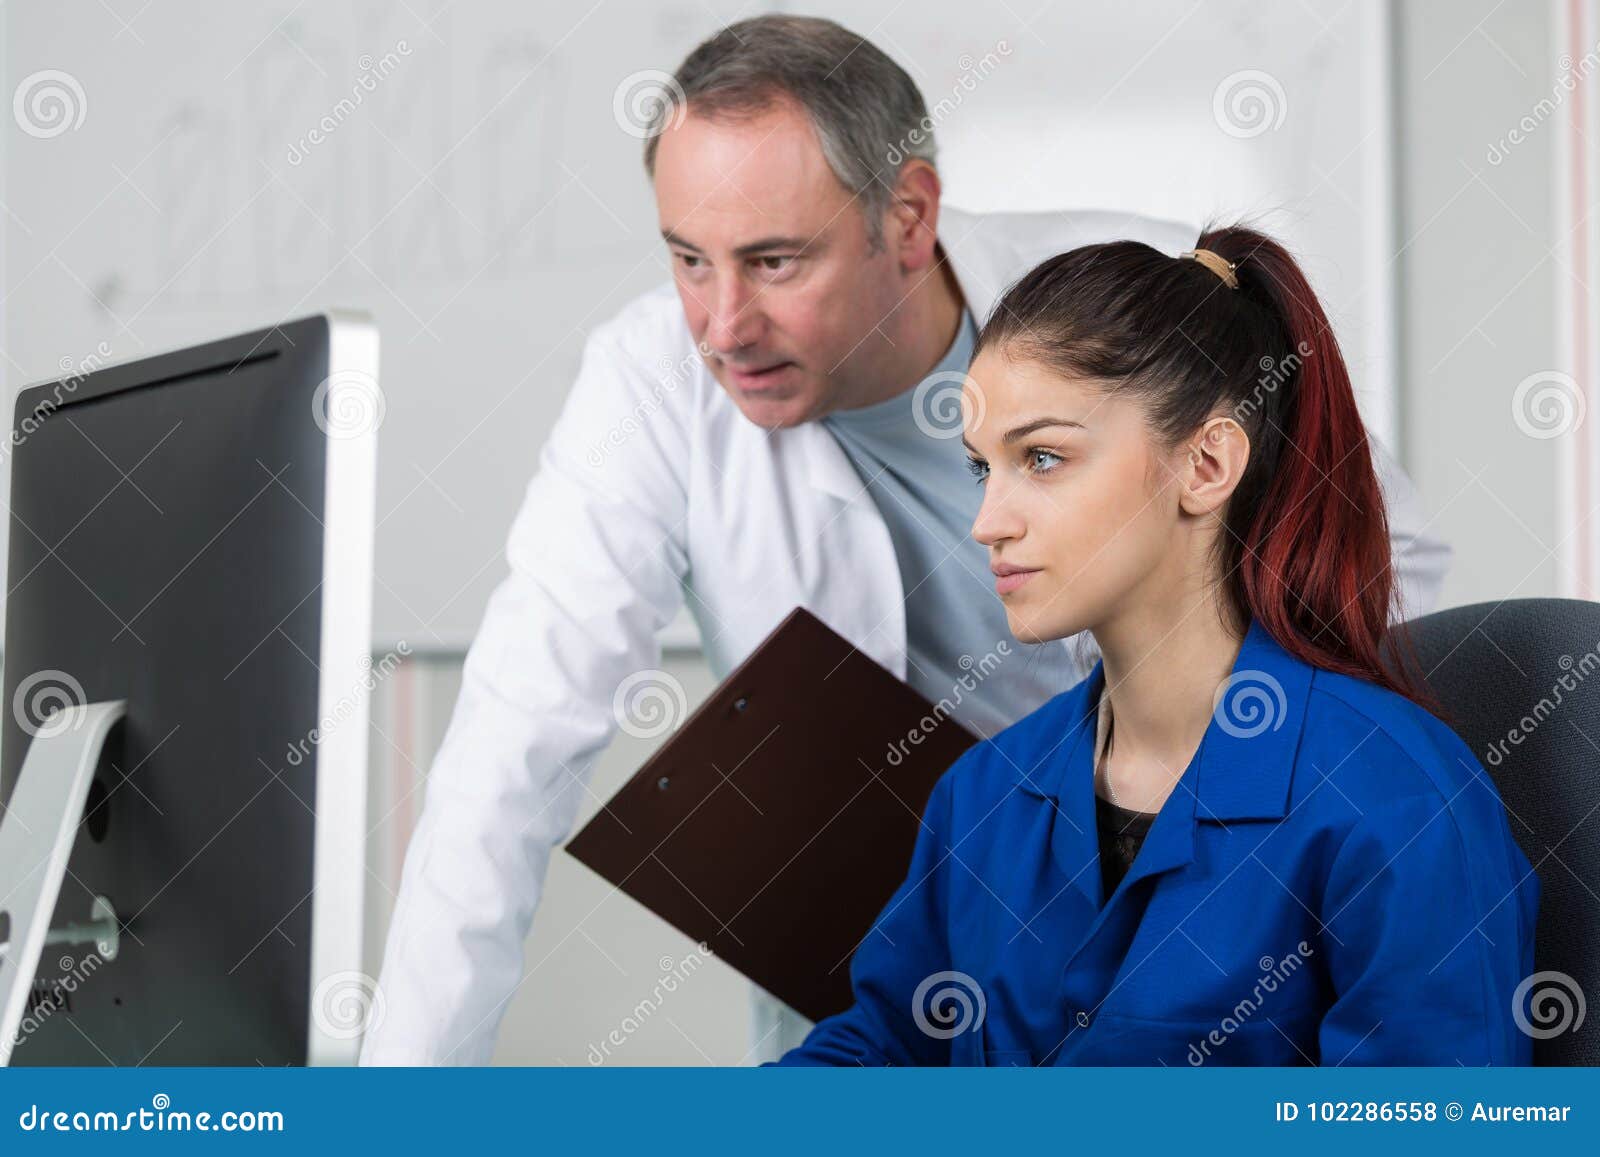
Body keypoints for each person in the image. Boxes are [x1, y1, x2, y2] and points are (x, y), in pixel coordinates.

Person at [361, 15, 1451, 1065]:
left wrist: (1205, 794)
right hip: (938, 926)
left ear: (909, 216)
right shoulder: (650, 382)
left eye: (775, 262)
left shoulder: (1131, 307)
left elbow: (1374, 555)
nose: (722, 326)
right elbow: (507, 753)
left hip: (1200, 903)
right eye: (688, 260)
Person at [772, 229, 1539, 1066]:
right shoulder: (984, 794)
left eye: (1042, 457)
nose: (987, 522)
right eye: (982, 469)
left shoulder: (1394, 802)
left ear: (1206, 464)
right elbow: (880, 1050)